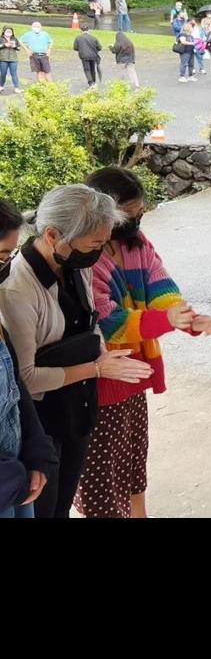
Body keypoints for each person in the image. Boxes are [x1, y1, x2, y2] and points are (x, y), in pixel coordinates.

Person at [0, 185, 154, 518]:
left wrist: (102, 353)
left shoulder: (77, 264)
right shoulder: (16, 290)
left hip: (79, 407)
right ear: (53, 235)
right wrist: (96, 369)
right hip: (42, 422)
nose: (99, 252)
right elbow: (25, 378)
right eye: (94, 244)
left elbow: (90, 319)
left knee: (65, 502)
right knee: (46, 508)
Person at [77, 168, 211, 519]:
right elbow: (108, 323)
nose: (136, 221)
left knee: (134, 465)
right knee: (101, 479)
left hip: (134, 374)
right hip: (101, 380)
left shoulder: (136, 243)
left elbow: (159, 285)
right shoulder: (86, 257)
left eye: (140, 212)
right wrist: (166, 320)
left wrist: (186, 318)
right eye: (129, 214)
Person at [1, 199, 59, 520]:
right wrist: (12, 477)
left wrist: (37, 447)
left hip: (16, 478)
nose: (5, 269)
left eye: (7, 258)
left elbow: (15, 383)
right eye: (0, 256)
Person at [73, 24, 103, 88]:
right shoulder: (94, 38)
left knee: (87, 69)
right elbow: (100, 48)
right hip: (93, 56)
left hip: (84, 56)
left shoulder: (78, 38)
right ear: (88, 30)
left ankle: (90, 83)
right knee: (92, 69)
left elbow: (75, 48)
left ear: (81, 30)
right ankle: (94, 82)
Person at [0, 26, 21, 93]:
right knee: (3, 73)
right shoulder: (0, 39)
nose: (9, 32)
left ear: (12, 32)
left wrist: (14, 47)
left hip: (13, 59)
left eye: (10, 31)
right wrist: (4, 45)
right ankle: (1, 86)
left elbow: (19, 48)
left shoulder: (14, 39)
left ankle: (16, 88)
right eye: (7, 31)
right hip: (3, 59)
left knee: (14, 73)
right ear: (4, 31)